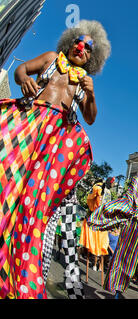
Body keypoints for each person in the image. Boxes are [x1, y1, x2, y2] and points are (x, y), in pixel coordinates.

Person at [0, 20, 111, 299]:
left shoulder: (85, 82)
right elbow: (21, 69)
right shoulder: (52, 60)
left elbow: (90, 118)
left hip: (55, 143)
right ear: (70, 42)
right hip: (30, 126)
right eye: (78, 42)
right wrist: (24, 79)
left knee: (34, 203)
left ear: (92, 58)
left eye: (87, 48)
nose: (81, 48)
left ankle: (18, 268)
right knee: (7, 183)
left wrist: (92, 93)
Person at [87, 158, 138, 299]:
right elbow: (130, 198)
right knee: (127, 255)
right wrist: (115, 207)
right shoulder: (137, 180)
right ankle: (117, 290)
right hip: (136, 221)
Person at [80, 178, 115, 272]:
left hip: (102, 221)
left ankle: (97, 264)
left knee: (101, 244)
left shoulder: (109, 193)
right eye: (113, 183)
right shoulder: (98, 187)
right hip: (93, 218)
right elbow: (90, 199)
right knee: (90, 241)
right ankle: (86, 254)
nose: (114, 185)